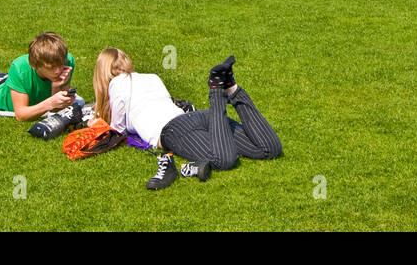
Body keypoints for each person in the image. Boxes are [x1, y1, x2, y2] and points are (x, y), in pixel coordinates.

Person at [92, 50, 281, 190]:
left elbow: (118, 128)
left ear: (102, 74)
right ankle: (232, 89)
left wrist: (95, 121)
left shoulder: (116, 83)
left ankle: (216, 90)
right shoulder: (151, 77)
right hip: (199, 116)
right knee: (269, 149)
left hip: (175, 130)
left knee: (223, 160)